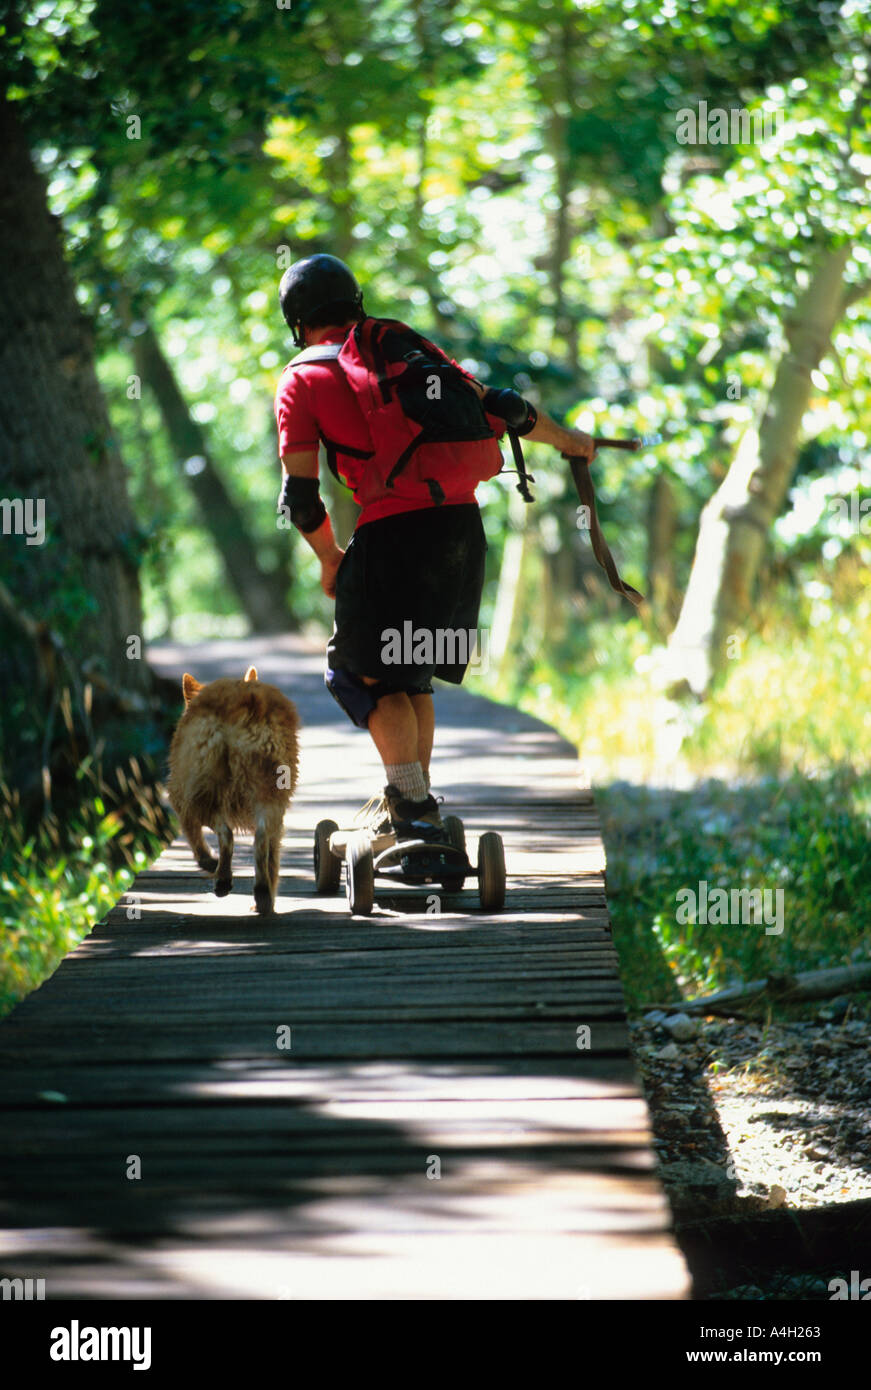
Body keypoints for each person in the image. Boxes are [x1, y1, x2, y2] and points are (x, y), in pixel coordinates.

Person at [274, 253, 595, 843]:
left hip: (393, 537)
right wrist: (570, 441)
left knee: (368, 679)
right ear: (356, 303)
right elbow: (503, 406)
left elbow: (301, 498)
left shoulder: (303, 377)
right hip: (462, 535)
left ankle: (416, 818)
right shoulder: (403, 349)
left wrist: (329, 557)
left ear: (298, 322)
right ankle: (412, 805)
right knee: (413, 675)